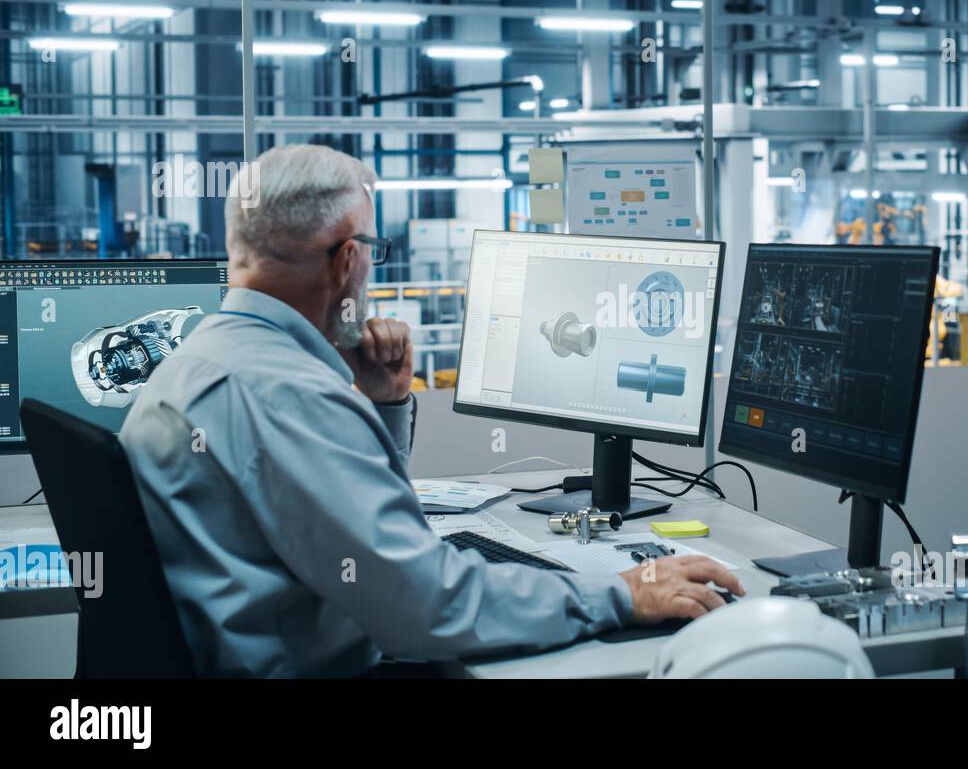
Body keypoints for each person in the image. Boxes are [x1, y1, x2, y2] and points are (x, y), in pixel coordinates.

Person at [120, 144, 744, 677]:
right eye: (370, 247)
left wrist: (386, 403)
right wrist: (619, 593)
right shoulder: (290, 396)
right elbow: (427, 608)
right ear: (347, 260)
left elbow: (350, 521)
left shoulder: (205, 357)